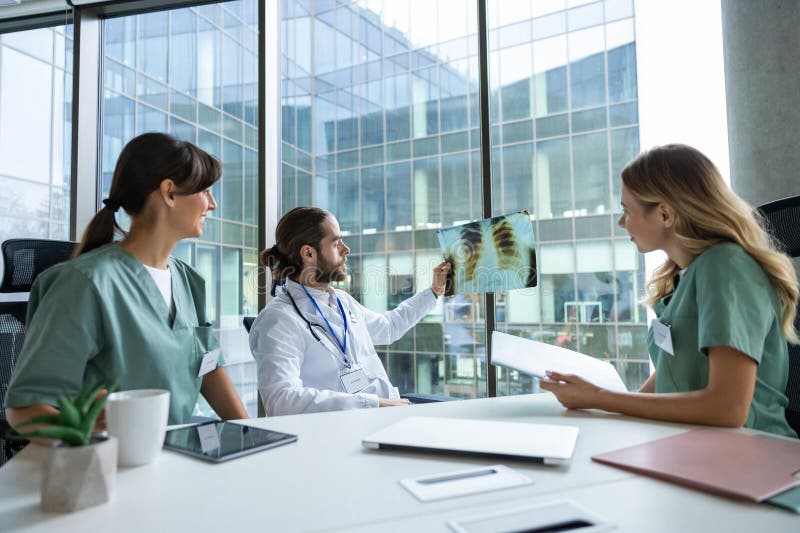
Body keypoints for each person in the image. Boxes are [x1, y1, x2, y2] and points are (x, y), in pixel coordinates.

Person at [541, 144, 798, 438]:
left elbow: (728, 409)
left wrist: (600, 398)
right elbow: (674, 373)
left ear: (665, 214)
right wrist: (605, 406)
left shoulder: (726, 266)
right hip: (697, 443)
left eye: (627, 210)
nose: (621, 222)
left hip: (751, 452)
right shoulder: (688, 274)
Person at [5, 132, 248, 429]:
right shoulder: (85, 284)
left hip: (181, 449)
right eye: (205, 191)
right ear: (169, 192)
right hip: (115, 454)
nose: (212, 204)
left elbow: (207, 366)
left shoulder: (189, 281)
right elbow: (26, 408)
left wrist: (254, 433)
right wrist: (89, 430)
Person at [249, 206, 450, 416]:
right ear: (308, 253)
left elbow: (389, 327)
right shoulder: (278, 320)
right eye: (336, 243)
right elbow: (281, 400)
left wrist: (434, 291)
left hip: (387, 414)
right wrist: (372, 403)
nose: (346, 249)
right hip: (350, 425)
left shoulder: (343, 301)